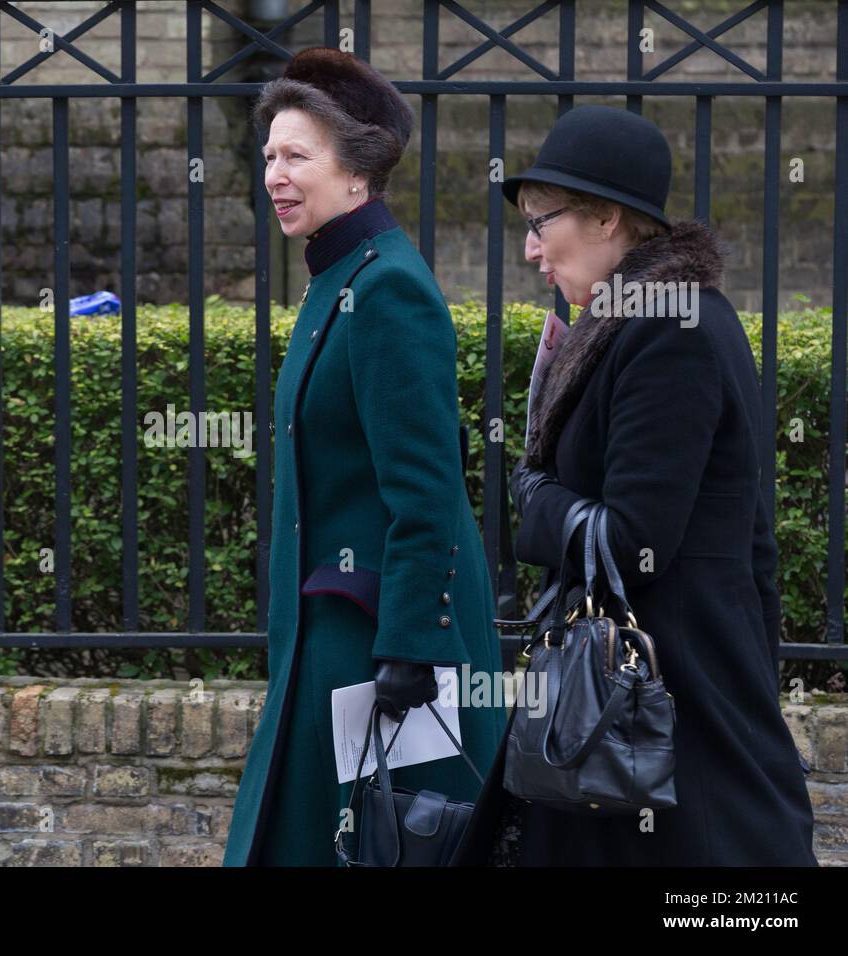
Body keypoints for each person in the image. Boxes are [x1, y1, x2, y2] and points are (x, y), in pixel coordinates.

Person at [453, 104, 818, 866]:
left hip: (672, 696)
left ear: (608, 219)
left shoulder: (670, 328)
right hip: (643, 698)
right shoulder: (637, 320)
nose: (530, 249)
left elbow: (633, 540)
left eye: (541, 222)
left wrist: (534, 490)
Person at [222, 47, 507, 867]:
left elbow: (425, 490)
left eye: (296, 156)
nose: (274, 174)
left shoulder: (389, 290)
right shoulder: (337, 276)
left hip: (378, 651)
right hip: (335, 638)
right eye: (269, 155)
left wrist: (410, 648)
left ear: (359, 172)